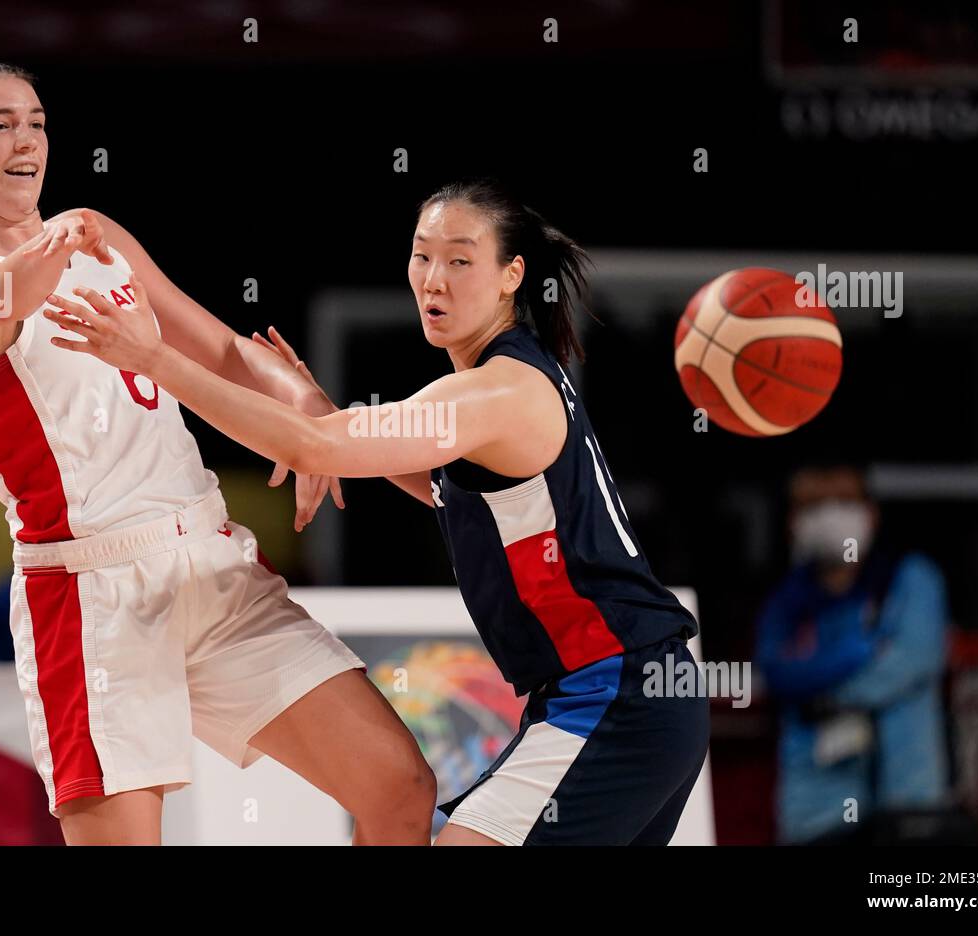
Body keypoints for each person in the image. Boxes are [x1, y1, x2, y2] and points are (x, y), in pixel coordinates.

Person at [0, 60, 435, 845]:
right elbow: (8, 294)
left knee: (400, 785)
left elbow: (222, 350)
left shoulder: (96, 237)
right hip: (92, 598)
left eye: (37, 123)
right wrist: (57, 237)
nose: (27, 139)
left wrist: (307, 411)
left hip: (210, 563)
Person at [46, 178, 710, 845]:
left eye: (460, 260)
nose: (435, 279)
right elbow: (432, 480)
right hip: (624, 695)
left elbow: (312, 445)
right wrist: (321, 417)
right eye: (423, 256)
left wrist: (151, 358)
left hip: (619, 694)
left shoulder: (497, 390)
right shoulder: (503, 380)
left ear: (512, 275)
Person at [755, 464, 951, 843]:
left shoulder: (911, 578)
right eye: (814, 505)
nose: (830, 515)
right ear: (793, 522)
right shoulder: (784, 604)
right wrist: (859, 649)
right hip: (817, 813)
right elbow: (778, 673)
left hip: (909, 802)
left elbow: (912, 661)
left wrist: (825, 692)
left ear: (871, 513)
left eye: (843, 501)